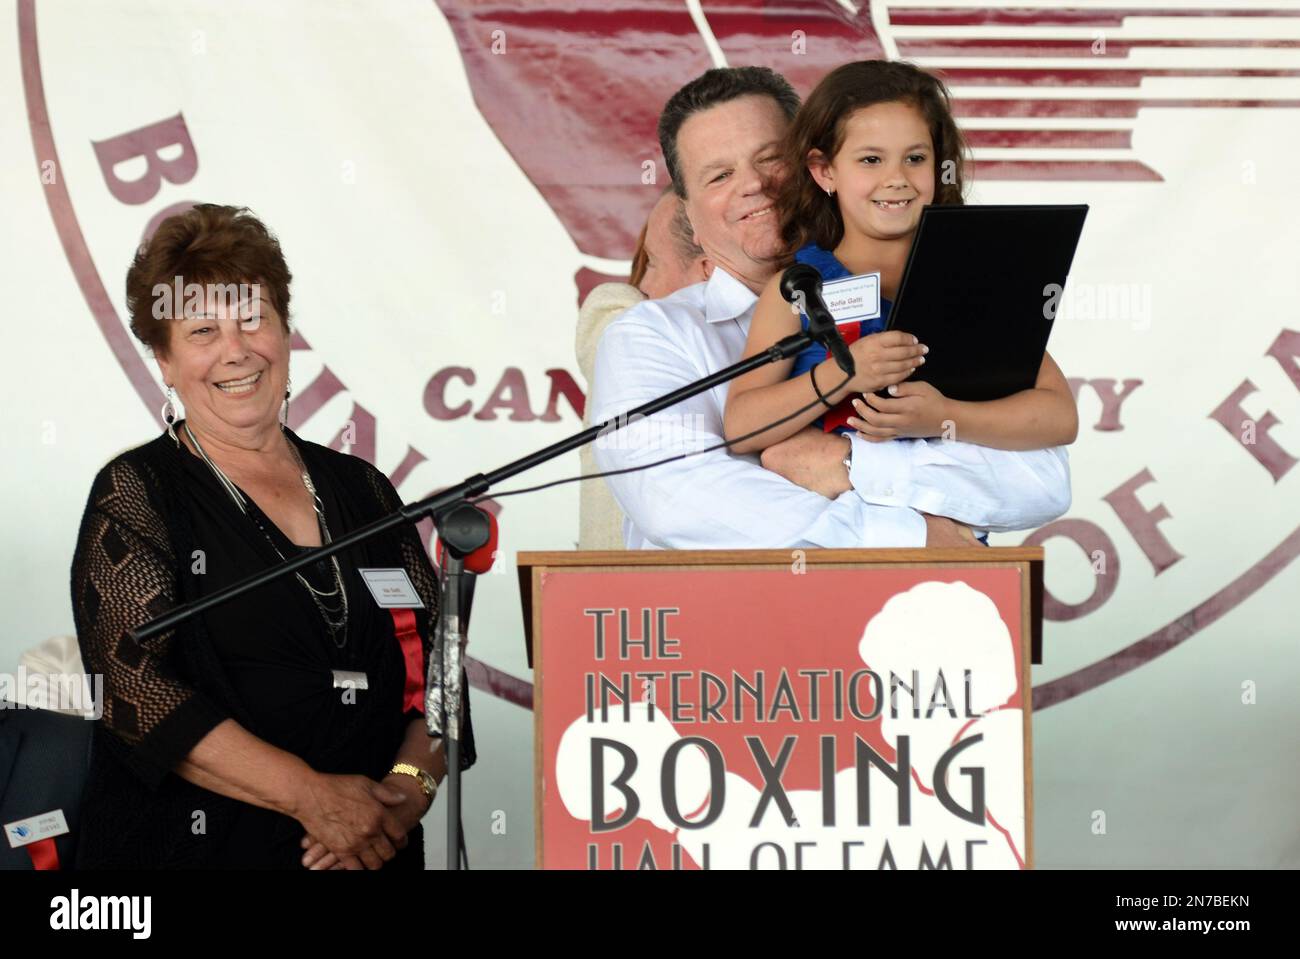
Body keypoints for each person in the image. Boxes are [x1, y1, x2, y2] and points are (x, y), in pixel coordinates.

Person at [69, 204, 473, 869]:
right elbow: (133, 687)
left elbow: (440, 671)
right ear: (164, 361)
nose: (237, 349)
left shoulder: (365, 489)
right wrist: (312, 797)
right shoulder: (137, 492)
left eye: (252, 318)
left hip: (375, 852)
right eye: (202, 330)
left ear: (286, 332)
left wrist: (403, 797)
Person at [590, 66, 1072, 549]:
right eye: (719, 175)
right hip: (734, 617)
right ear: (687, 215)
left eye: (771, 158)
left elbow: (1041, 482)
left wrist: (849, 461)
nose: (754, 184)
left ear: (810, 165)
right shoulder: (650, 335)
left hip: (927, 606)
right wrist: (916, 533)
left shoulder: (954, 286)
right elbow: (677, 500)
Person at [723, 61, 1077, 465]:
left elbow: (1060, 416)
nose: (896, 178)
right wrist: (844, 374)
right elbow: (740, 429)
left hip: (952, 516)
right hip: (837, 522)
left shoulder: (975, 275)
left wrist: (946, 416)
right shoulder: (799, 286)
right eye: (871, 160)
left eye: (915, 158)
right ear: (824, 171)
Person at [577, 187, 709, 548]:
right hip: (620, 593)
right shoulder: (615, 314)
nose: (642, 284)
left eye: (650, 262)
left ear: (707, 272)